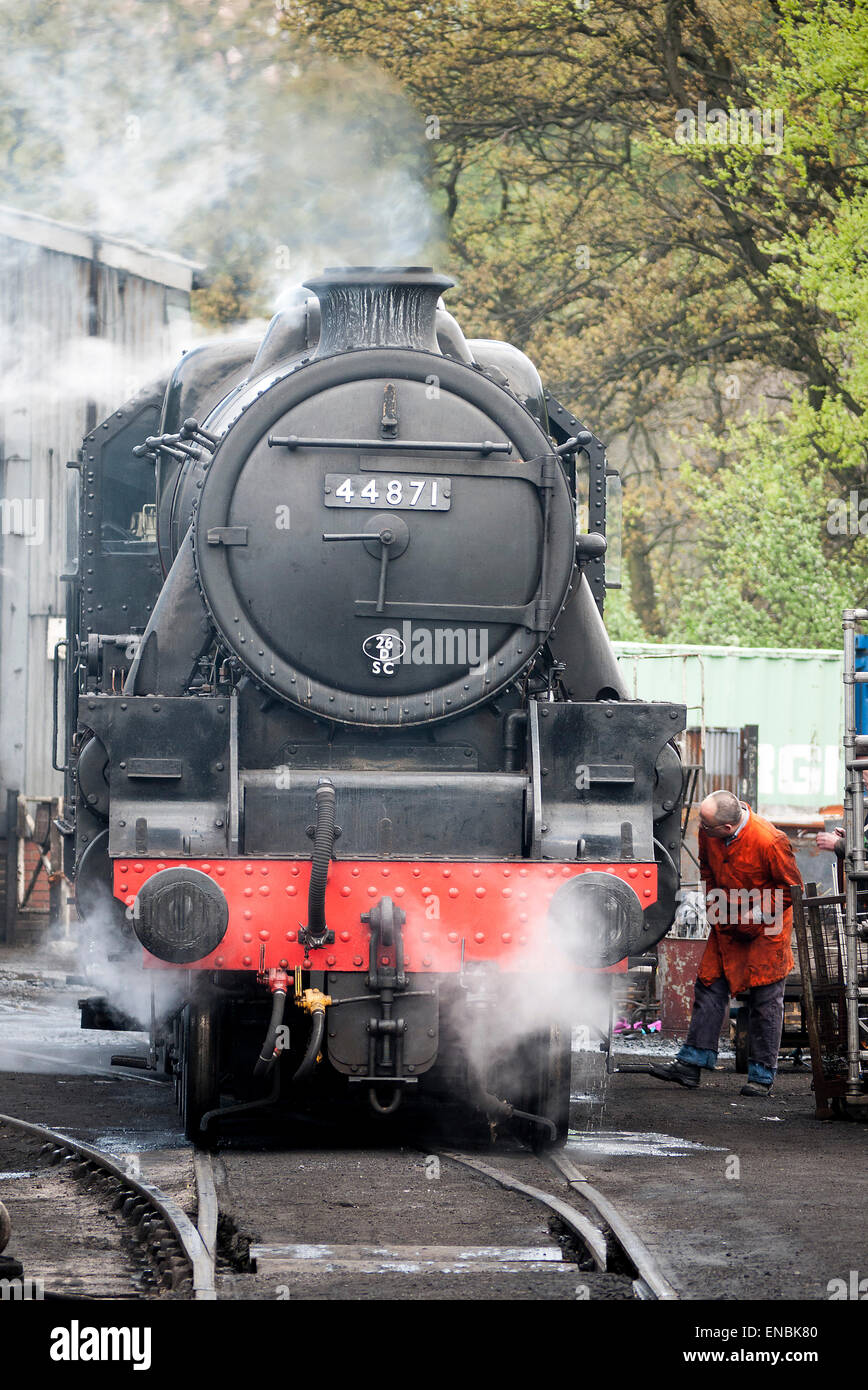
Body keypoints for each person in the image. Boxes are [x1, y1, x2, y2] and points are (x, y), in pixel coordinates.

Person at [650, 789, 803, 1097]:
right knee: (709, 986)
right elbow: (707, 867)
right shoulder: (710, 832)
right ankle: (692, 1063)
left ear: (728, 828)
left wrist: (755, 912)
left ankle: (761, 1075)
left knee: (765, 999)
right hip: (728, 923)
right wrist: (712, 902)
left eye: (706, 827)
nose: (701, 831)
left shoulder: (769, 841)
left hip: (766, 931)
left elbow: (791, 890)